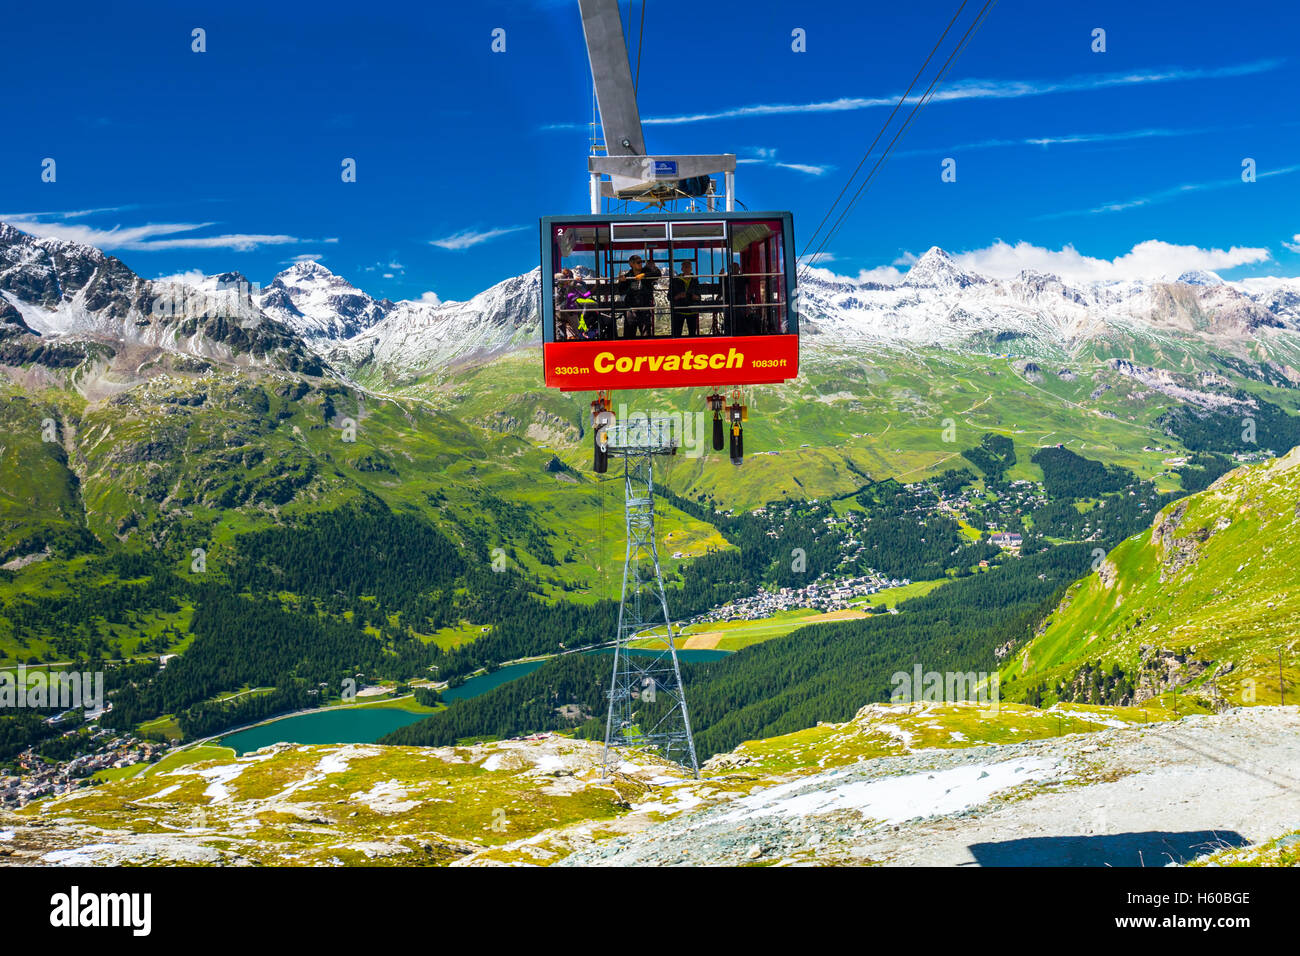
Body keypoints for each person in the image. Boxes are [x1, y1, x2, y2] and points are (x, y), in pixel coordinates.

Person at [616, 254, 660, 338]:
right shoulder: (627, 276)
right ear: (631, 264)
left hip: (645, 308)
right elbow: (621, 291)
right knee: (629, 334)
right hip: (631, 309)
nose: (640, 264)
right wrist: (622, 282)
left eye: (641, 262)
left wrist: (644, 275)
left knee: (646, 334)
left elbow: (658, 273)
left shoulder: (646, 271)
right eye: (638, 262)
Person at [669, 261, 701, 337]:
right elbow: (669, 296)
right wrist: (678, 296)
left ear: (691, 269)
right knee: (677, 334)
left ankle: (692, 348)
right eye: (685, 267)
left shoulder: (695, 281)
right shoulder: (675, 280)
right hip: (679, 311)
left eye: (688, 267)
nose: (687, 269)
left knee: (692, 334)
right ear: (682, 269)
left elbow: (699, 296)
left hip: (692, 311)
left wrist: (695, 297)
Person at [726, 261, 752, 336]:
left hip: (740, 302)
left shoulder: (742, 277)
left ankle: (741, 332)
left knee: (741, 317)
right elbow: (723, 288)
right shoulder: (728, 278)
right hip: (731, 302)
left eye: (736, 267)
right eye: (733, 268)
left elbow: (750, 281)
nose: (735, 269)